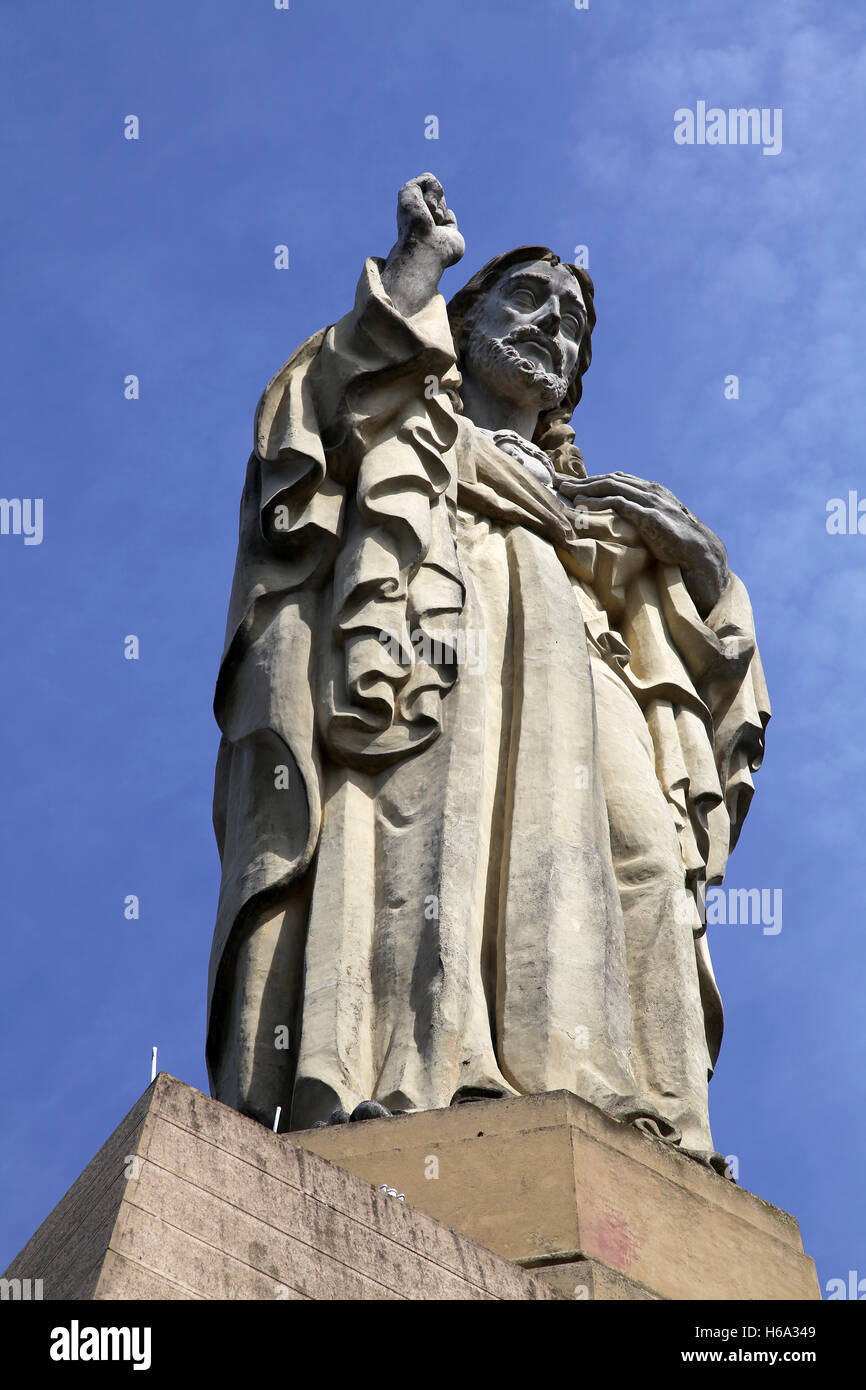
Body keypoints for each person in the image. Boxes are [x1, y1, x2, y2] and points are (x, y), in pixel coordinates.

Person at [207, 175, 769, 1171]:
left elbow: (714, 650)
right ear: (463, 323)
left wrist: (693, 551)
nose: (551, 328)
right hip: (430, 626)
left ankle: (638, 1115)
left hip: (586, 657)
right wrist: (413, 271)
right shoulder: (411, 418)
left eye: (572, 329)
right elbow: (313, 427)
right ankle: (412, 1078)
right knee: (437, 841)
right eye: (529, 302)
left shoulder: (599, 509)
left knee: (640, 858)